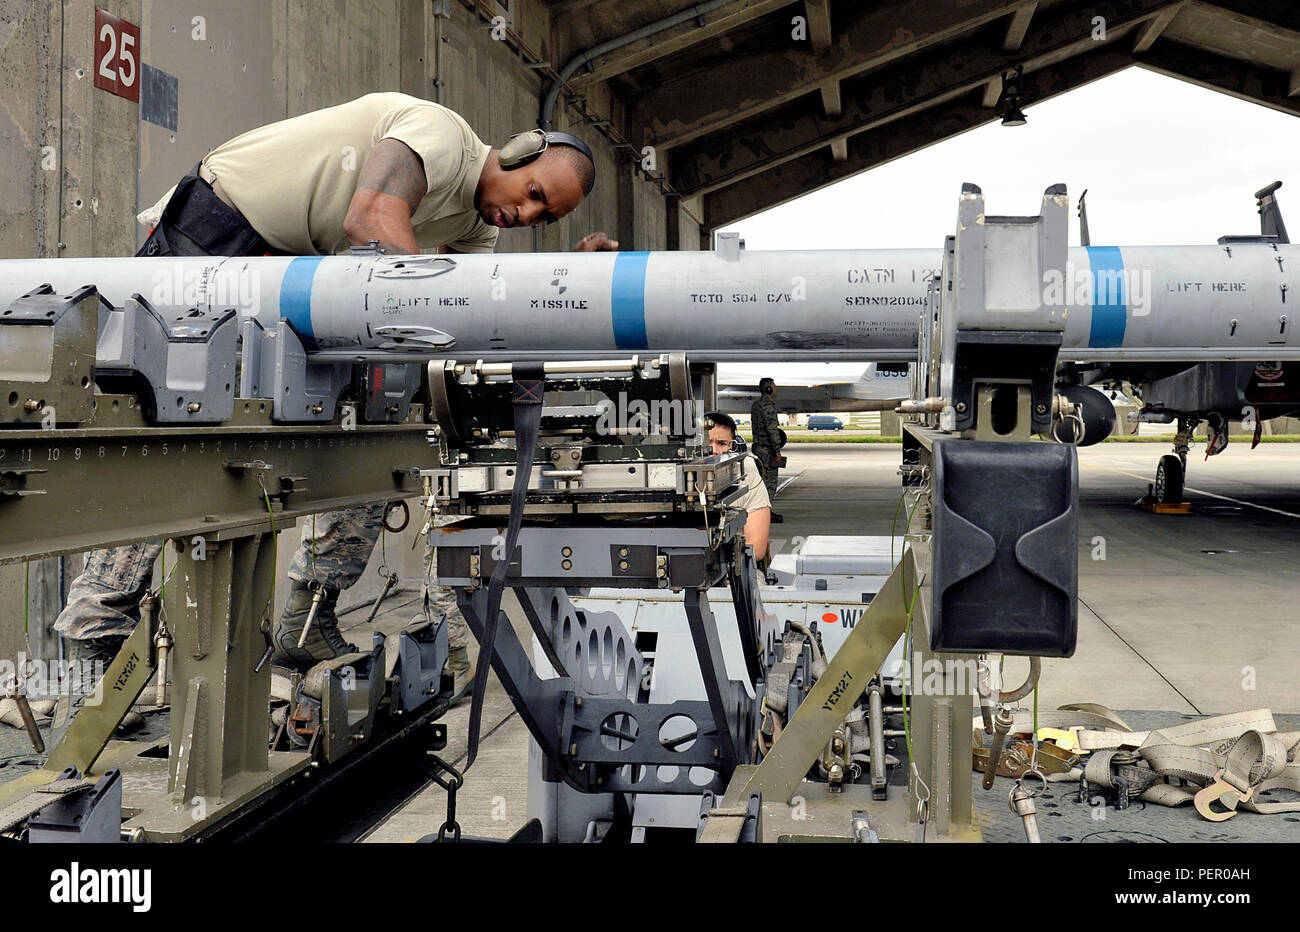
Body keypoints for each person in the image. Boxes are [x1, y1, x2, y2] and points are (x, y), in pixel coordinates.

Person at [54, 93, 617, 722]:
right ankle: (93, 639)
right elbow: (371, 217)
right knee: (171, 437)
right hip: (216, 239)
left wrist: (572, 283)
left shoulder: (474, 228)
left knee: (373, 432)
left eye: (543, 217)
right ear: (517, 153)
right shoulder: (439, 136)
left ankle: (309, 612)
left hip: (290, 274)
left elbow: (464, 314)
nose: (525, 213)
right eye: (533, 191)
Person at [705, 412, 771, 565]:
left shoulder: (750, 481)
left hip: (736, 567)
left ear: (734, 446)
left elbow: (757, 547)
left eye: (721, 443)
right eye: (707, 443)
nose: (713, 450)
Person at [749, 377, 786, 523]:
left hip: (758, 448)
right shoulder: (768, 406)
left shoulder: (756, 405)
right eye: (774, 386)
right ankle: (766, 513)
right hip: (767, 450)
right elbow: (772, 430)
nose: (775, 389)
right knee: (770, 483)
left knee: (762, 481)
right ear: (769, 388)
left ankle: (762, 512)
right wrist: (777, 452)